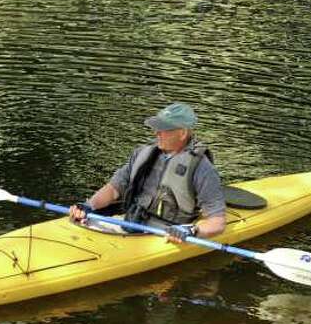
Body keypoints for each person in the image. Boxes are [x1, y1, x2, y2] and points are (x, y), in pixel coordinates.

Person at [69, 102, 227, 242]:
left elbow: (217, 222)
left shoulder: (202, 169)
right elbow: (113, 189)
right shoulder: (143, 154)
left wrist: (192, 230)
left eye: (163, 129)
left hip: (166, 235)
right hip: (131, 222)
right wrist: (89, 205)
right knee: (85, 220)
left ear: (183, 133)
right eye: (156, 128)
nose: (156, 133)